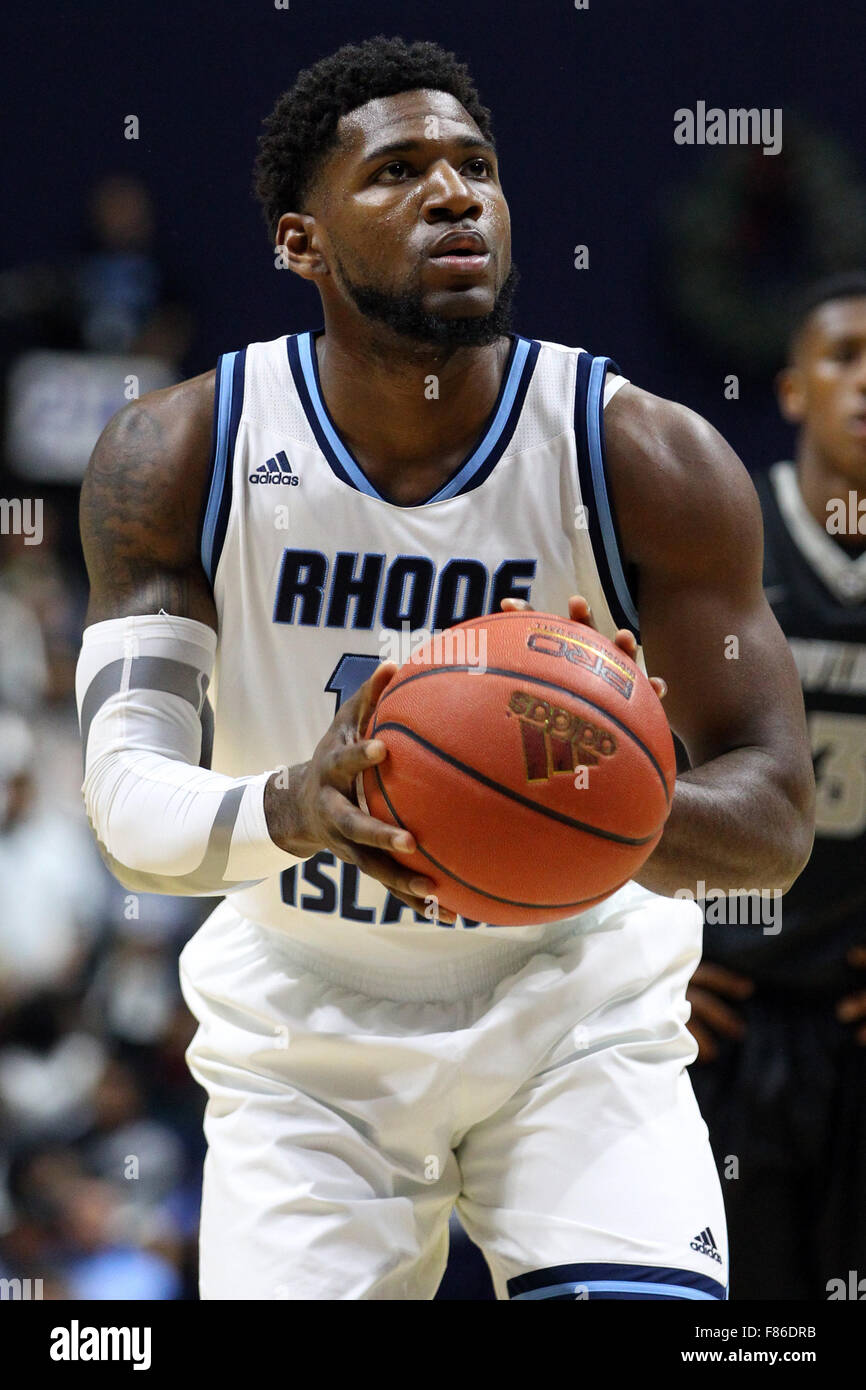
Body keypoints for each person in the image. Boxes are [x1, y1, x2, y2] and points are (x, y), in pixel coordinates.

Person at [75, 35, 814, 1301]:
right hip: (304, 1036)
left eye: (475, 164)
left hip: (575, 1010)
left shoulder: (646, 458)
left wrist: (603, 804)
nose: (453, 193)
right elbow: (128, 810)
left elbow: (774, 821)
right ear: (299, 243)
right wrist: (288, 806)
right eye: (398, 171)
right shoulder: (179, 453)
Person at [688, 272, 866, 1300]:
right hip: (719, 1011)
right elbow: (606, 767)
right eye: (841, 357)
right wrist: (641, 955)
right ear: (791, 387)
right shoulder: (715, 542)